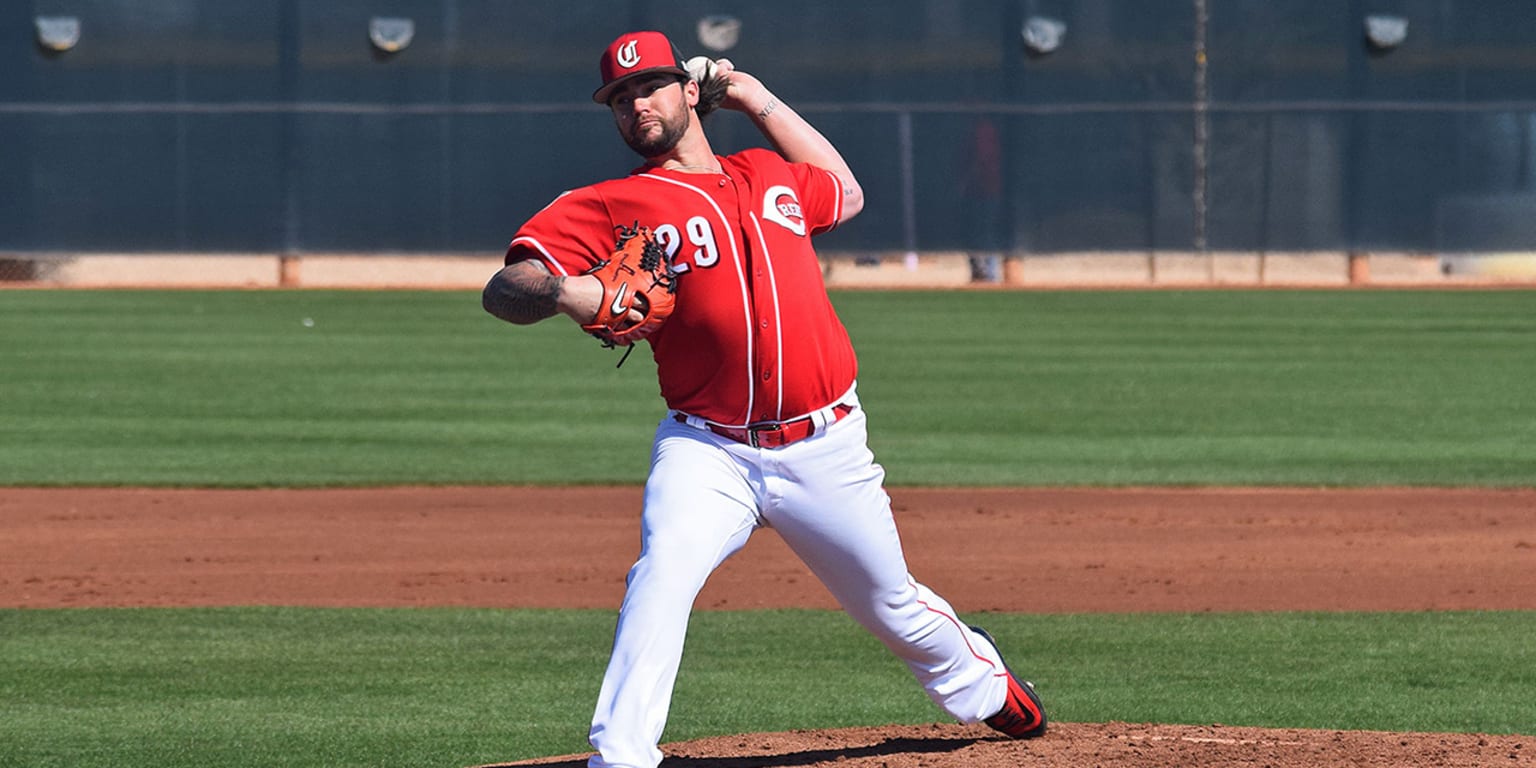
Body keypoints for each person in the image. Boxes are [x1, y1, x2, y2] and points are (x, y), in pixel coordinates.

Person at [481, 30, 1046, 768]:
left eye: (650, 86)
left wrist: (752, 96)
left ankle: (979, 683)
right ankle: (620, 756)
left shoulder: (770, 175)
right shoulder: (612, 203)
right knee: (663, 574)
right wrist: (567, 290)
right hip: (707, 446)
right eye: (619, 98)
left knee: (891, 605)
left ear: (689, 91)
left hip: (825, 445)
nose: (635, 104)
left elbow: (846, 192)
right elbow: (505, 288)